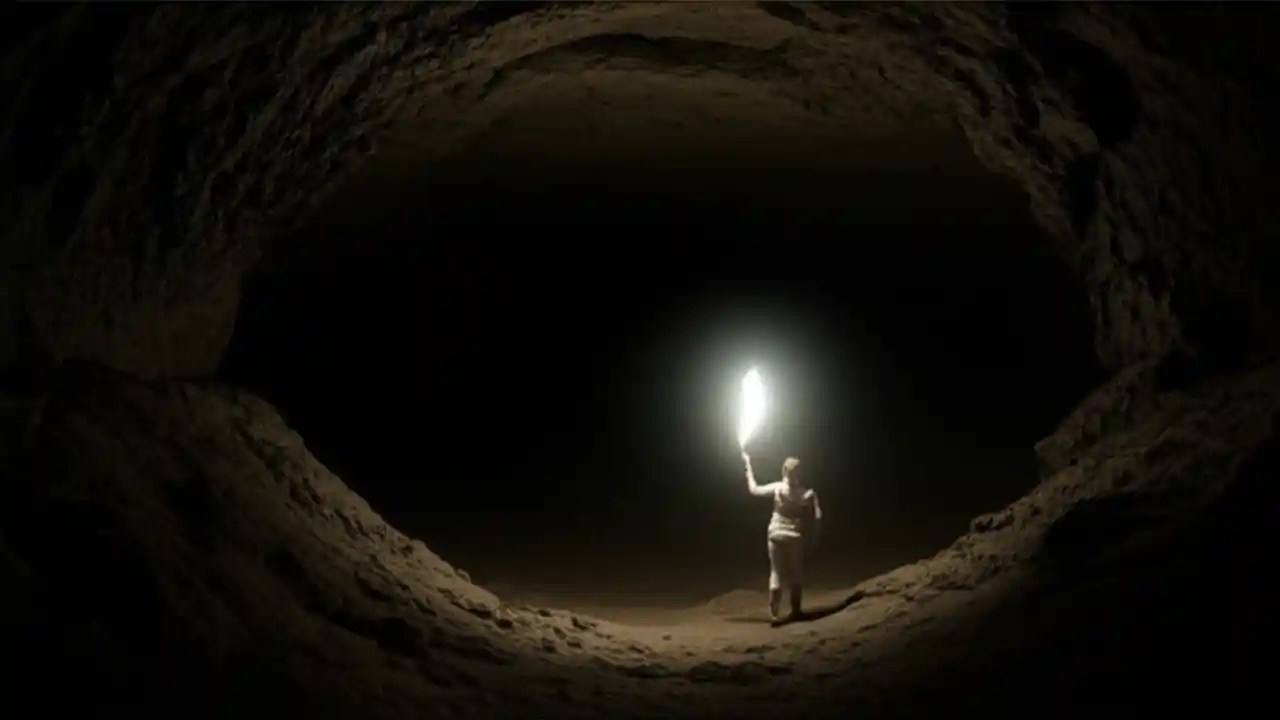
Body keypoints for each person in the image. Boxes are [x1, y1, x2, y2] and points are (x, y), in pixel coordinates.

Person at [742, 451, 821, 624]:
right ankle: (796, 611)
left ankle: (774, 614)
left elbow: (754, 490)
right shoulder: (808, 494)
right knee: (796, 572)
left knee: (775, 571)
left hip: (775, 533)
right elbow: (817, 517)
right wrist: (814, 534)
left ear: (784, 471)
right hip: (795, 536)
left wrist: (748, 466)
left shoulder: (778, 488)